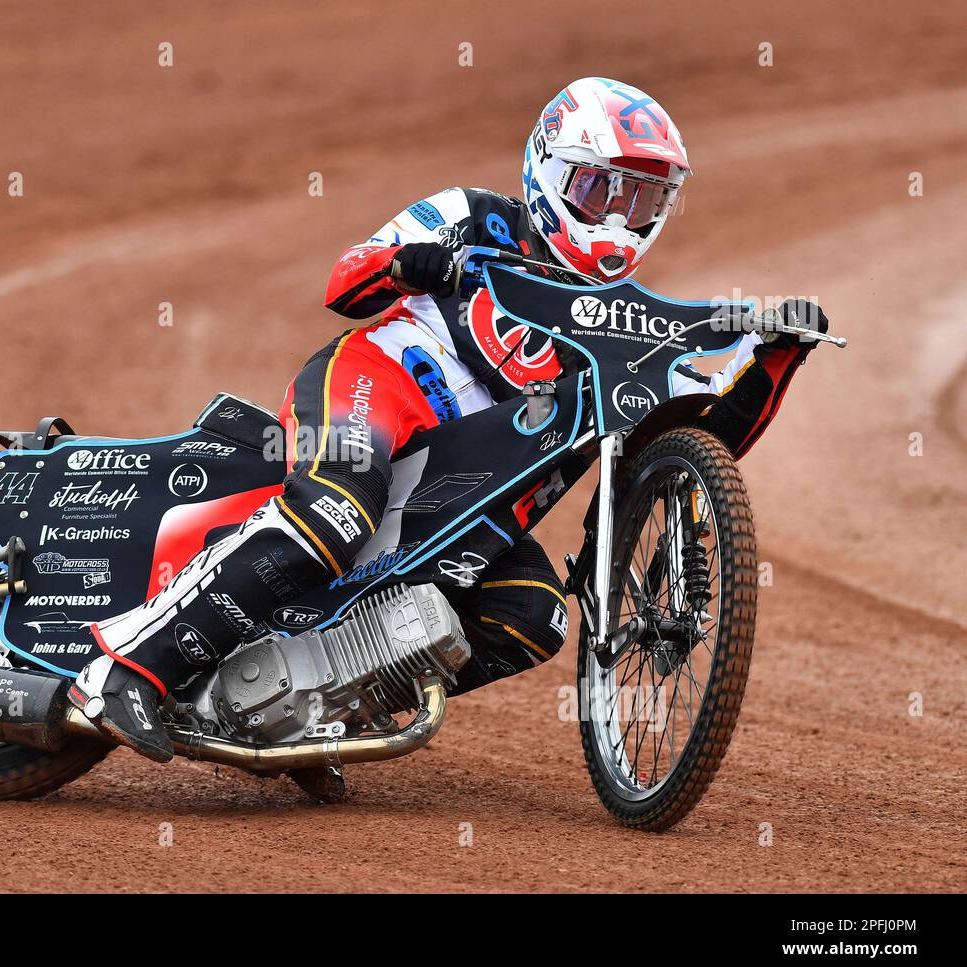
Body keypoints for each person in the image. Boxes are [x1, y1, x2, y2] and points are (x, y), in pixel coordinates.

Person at [68, 77, 828, 763]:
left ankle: (311, 716)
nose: (621, 219)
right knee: (338, 510)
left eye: (643, 201)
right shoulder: (476, 215)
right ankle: (124, 668)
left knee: (535, 615)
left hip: (460, 493)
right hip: (376, 384)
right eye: (604, 191)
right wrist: (410, 263)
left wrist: (771, 359)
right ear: (552, 172)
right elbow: (346, 278)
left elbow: (677, 458)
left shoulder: (623, 321)